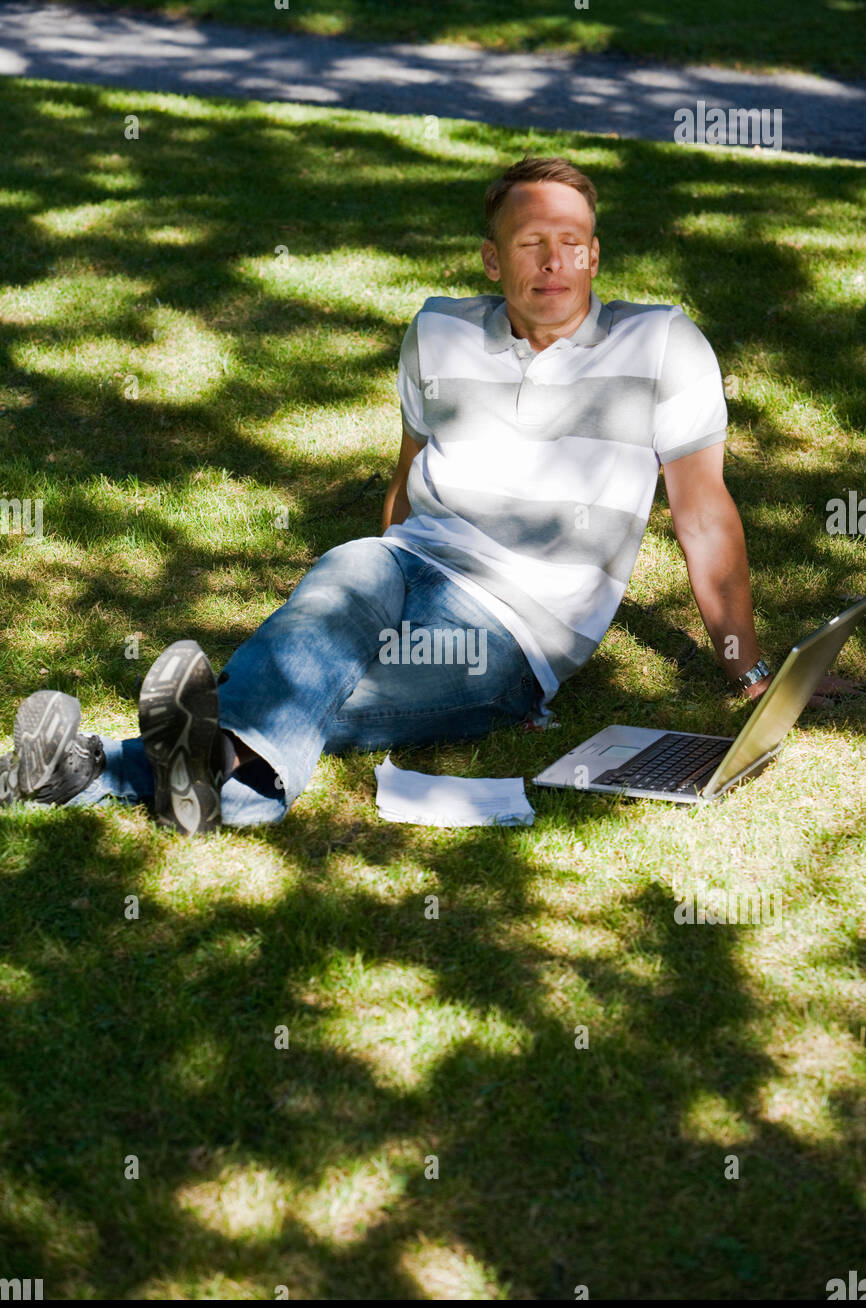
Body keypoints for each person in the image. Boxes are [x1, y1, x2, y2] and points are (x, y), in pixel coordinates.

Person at [0, 155, 851, 834]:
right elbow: (405, 479)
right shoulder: (438, 329)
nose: (553, 260)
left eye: (572, 241)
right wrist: (366, 606)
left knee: (320, 683)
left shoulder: (665, 344)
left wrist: (750, 672)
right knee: (344, 586)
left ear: (595, 253)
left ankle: (94, 770)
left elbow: (702, 515)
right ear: (493, 259)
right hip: (405, 564)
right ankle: (206, 782)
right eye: (529, 244)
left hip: (518, 631)